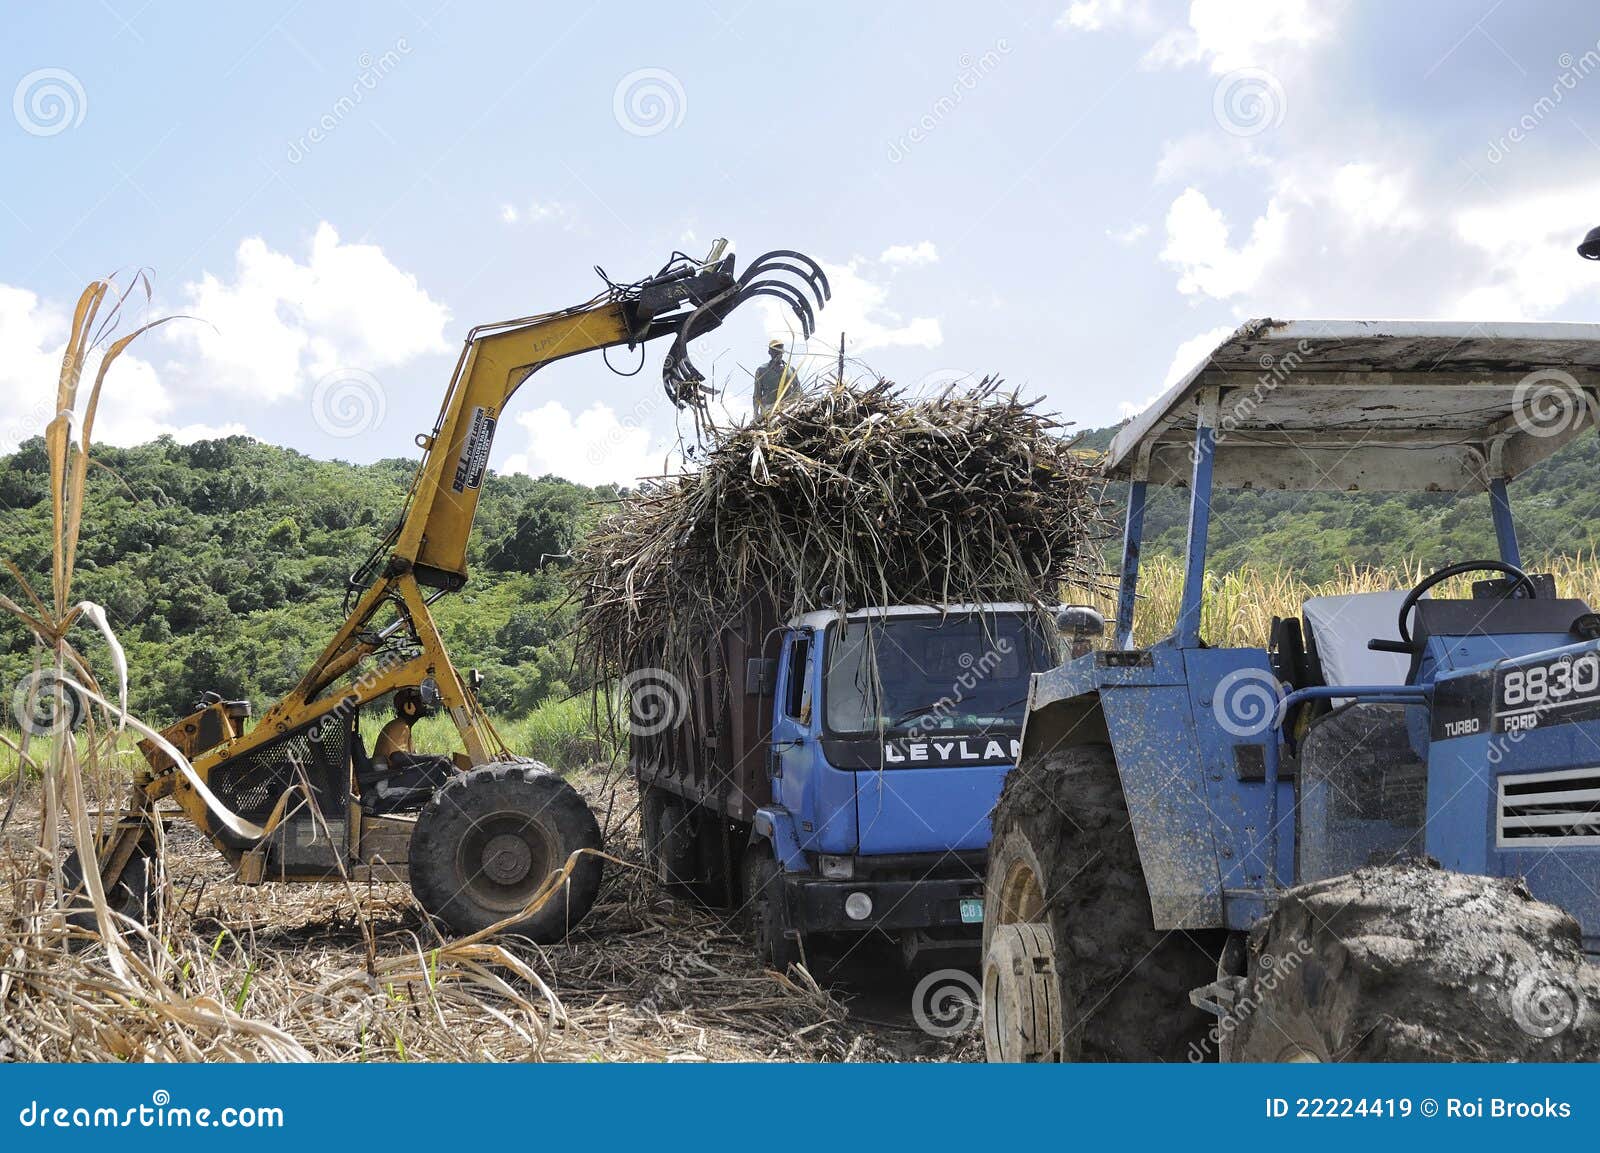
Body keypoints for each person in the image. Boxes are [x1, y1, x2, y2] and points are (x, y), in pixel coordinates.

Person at [752, 339, 799, 418]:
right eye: (774, 349)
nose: (777, 351)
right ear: (769, 352)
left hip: (789, 409)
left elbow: (797, 391)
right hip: (769, 410)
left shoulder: (790, 370)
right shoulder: (762, 370)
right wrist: (756, 415)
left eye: (780, 348)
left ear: (783, 351)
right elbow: (757, 395)